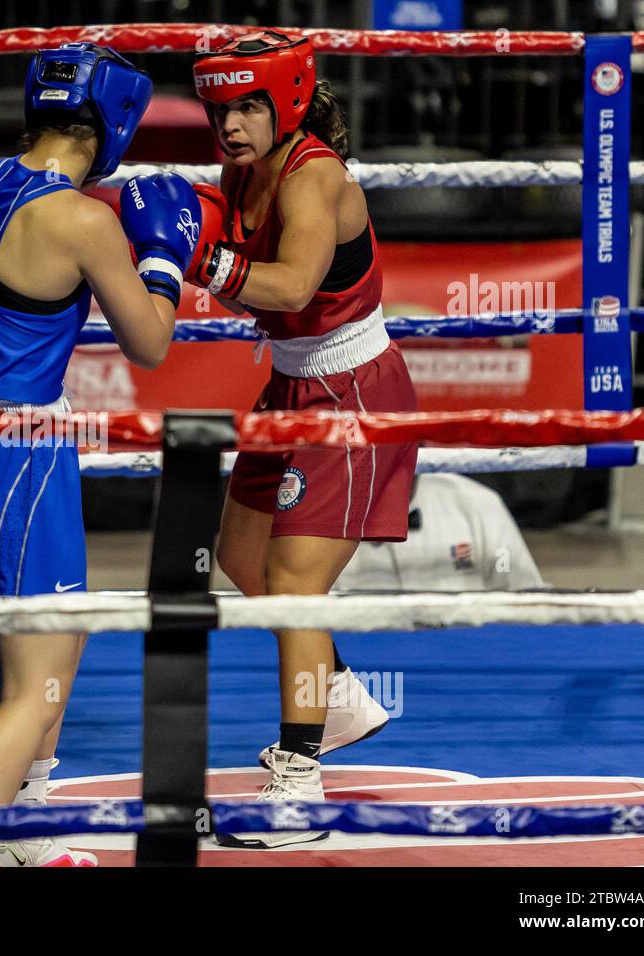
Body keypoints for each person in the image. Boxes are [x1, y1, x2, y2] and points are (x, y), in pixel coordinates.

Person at [0, 43, 200, 866]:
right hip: (22, 450)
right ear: (114, 124)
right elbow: (151, 346)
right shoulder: (84, 221)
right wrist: (162, 258)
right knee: (29, 685)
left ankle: (26, 824)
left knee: (57, 641)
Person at [189, 31, 418, 847]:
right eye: (222, 108)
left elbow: (288, 284)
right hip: (291, 381)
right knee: (241, 559)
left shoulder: (314, 178)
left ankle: (300, 777)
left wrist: (202, 262)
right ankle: (343, 695)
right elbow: (256, 294)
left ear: (286, 100)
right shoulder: (238, 173)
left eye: (249, 104)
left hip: (352, 389)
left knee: (292, 582)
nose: (232, 124)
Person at [333, 473, 546, 592]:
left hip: (471, 656)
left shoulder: (480, 504)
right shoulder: (324, 524)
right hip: (367, 663)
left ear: (419, 446)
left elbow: (523, 594)